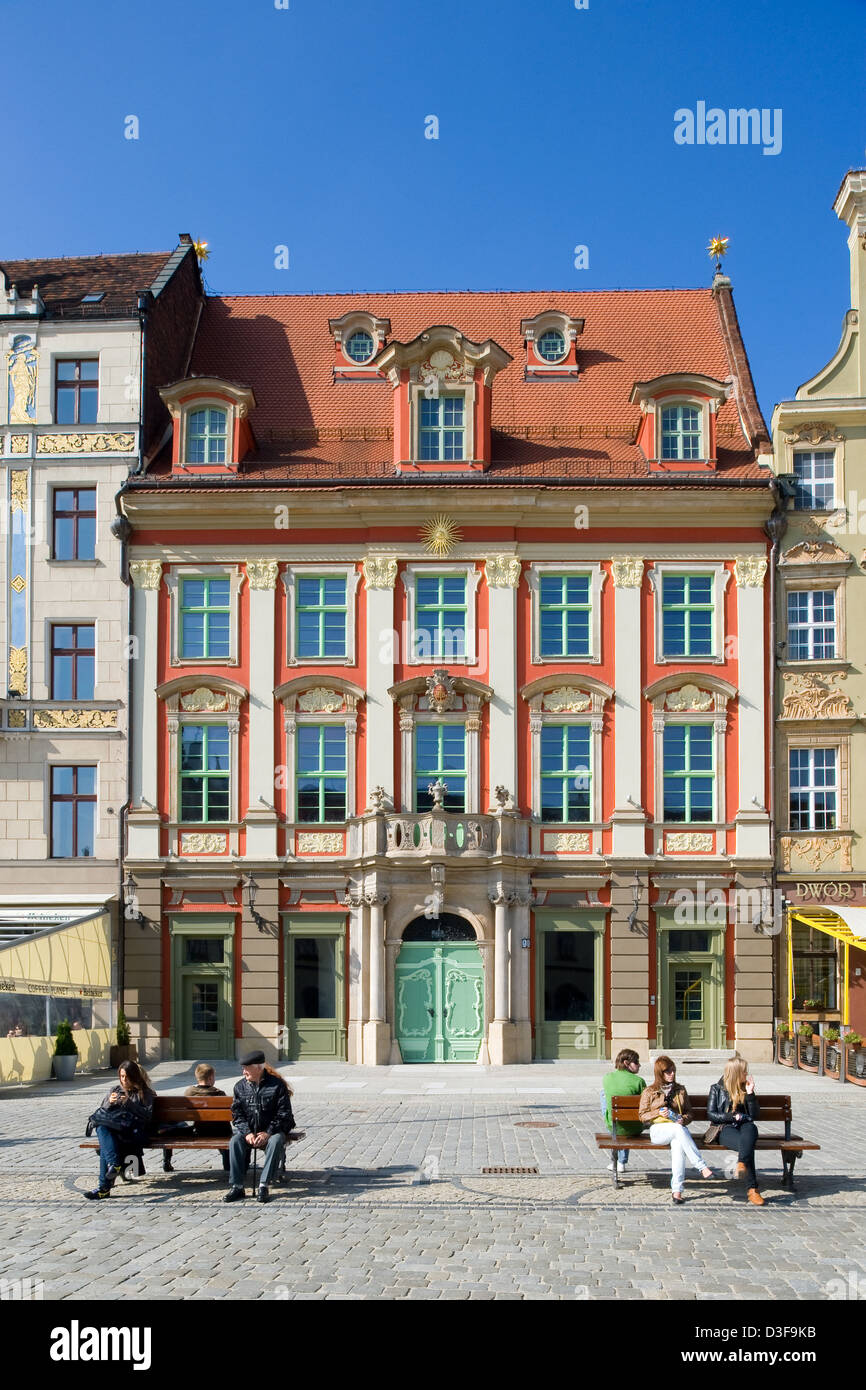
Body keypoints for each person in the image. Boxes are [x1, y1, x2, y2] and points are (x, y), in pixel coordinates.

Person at [638, 1055, 714, 1203]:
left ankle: (677, 1191)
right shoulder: (650, 1091)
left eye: (673, 1070)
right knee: (679, 1130)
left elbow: (689, 1113)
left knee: (679, 1144)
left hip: (677, 1130)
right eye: (668, 1071)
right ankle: (701, 1166)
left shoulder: (680, 1090)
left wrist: (683, 1119)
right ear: (660, 1073)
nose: (672, 1074)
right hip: (658, 1130)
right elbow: (642, 1115)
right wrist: (657, 1112)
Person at [224, 1050, 296, 1204]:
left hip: (273, 1131)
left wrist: (268, 1133)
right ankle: (237, 1186)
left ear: (258, 1068)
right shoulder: (240, 1087)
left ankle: (264, 1185)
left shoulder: (277, 1085)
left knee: (276, 1141)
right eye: (243, 1068)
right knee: (235, 1141)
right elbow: (237, 1115)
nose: (243, 1072)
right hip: (250, 1132)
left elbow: (284, 1114)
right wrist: (247, 1133)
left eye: (246, 1068)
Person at [84, 1061, 156, 1200]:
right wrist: (109, 1102)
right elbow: (103, 1113)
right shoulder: (115, 1089)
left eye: (127, 1077)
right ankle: (113, 1166)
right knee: (101, 1126)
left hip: (134, 1132)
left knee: (106, 1142)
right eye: (122, 1076)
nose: (124, 1080)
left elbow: (147, 1117)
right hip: (116, 1130)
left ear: (135, 1076)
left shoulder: (145, 1093)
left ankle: (104, 1186)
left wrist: (129, 1104)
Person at [706, 1055, 764, 1207]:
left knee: (751, 1128)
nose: (746, 1074)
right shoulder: (716, 1088)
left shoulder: (746, 1087)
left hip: (745, 1127)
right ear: (736, 1072)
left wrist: (750, 1094)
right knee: (747, 1146)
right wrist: (730, 1116)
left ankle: (741, 1164)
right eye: (744, 1072)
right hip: (725, 1128)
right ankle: (752, 1190)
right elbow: (711, 1114)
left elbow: (754, 1116)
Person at [161, 1063, 230, 1176]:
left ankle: (166, 1161)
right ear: (211, 1077)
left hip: (199, 1131)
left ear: (197, 1077)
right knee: (222, 1128)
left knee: (173, 1128)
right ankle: (227, 1164)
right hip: (221, 1132)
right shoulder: (220, 1094)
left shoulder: (189, 1093)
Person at [601, 1048, 646, 1173]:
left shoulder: (607, 1078)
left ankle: (616, 1162)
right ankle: (621, 1162)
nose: (639, 1065)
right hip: (635, 1128)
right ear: (626, 1063)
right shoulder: (639, 1081)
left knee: (604, 1096)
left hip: (613, 1127)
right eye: (636, 1062)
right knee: (625, 1116)